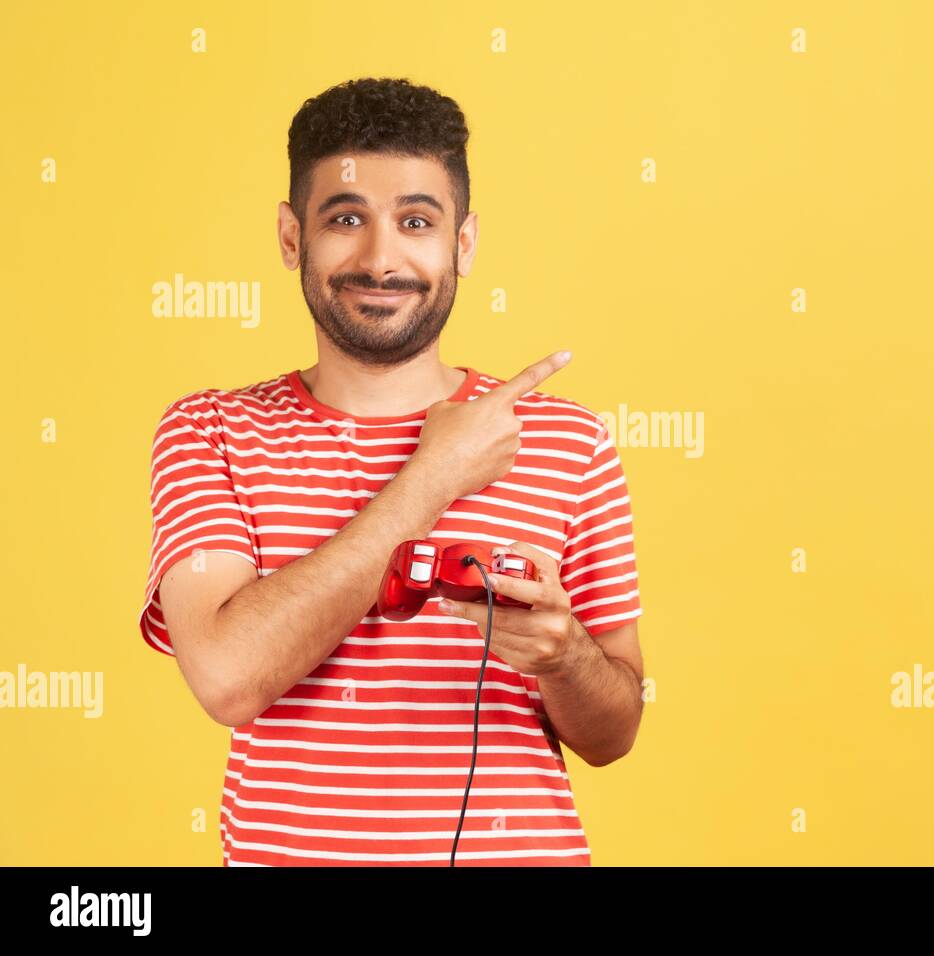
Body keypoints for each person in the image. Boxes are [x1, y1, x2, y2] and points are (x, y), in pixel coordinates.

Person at [138, 77, 644, 866]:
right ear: (289, 236)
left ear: (463, 245)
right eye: (346, 219)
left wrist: (563, 655)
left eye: (417, 221)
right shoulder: (210, 431)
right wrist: (431, 479)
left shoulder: (566, 439)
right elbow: (229, 680)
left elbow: (614, 735)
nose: (381, 258)